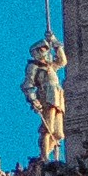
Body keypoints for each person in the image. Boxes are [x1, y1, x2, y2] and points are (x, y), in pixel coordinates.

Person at [22, 33, 69, 162]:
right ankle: (44, 157)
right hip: (46, 95)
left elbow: (62, 61)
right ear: (36, 52)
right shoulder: (33, 66)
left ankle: (47, 153)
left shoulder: (50, 66)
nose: (46, 52)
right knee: (48, 127)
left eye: (46, 50)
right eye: (43, 50)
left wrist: (54, 42)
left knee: (58, 133)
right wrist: (33, 99)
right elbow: (28, 85)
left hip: (57, 96)